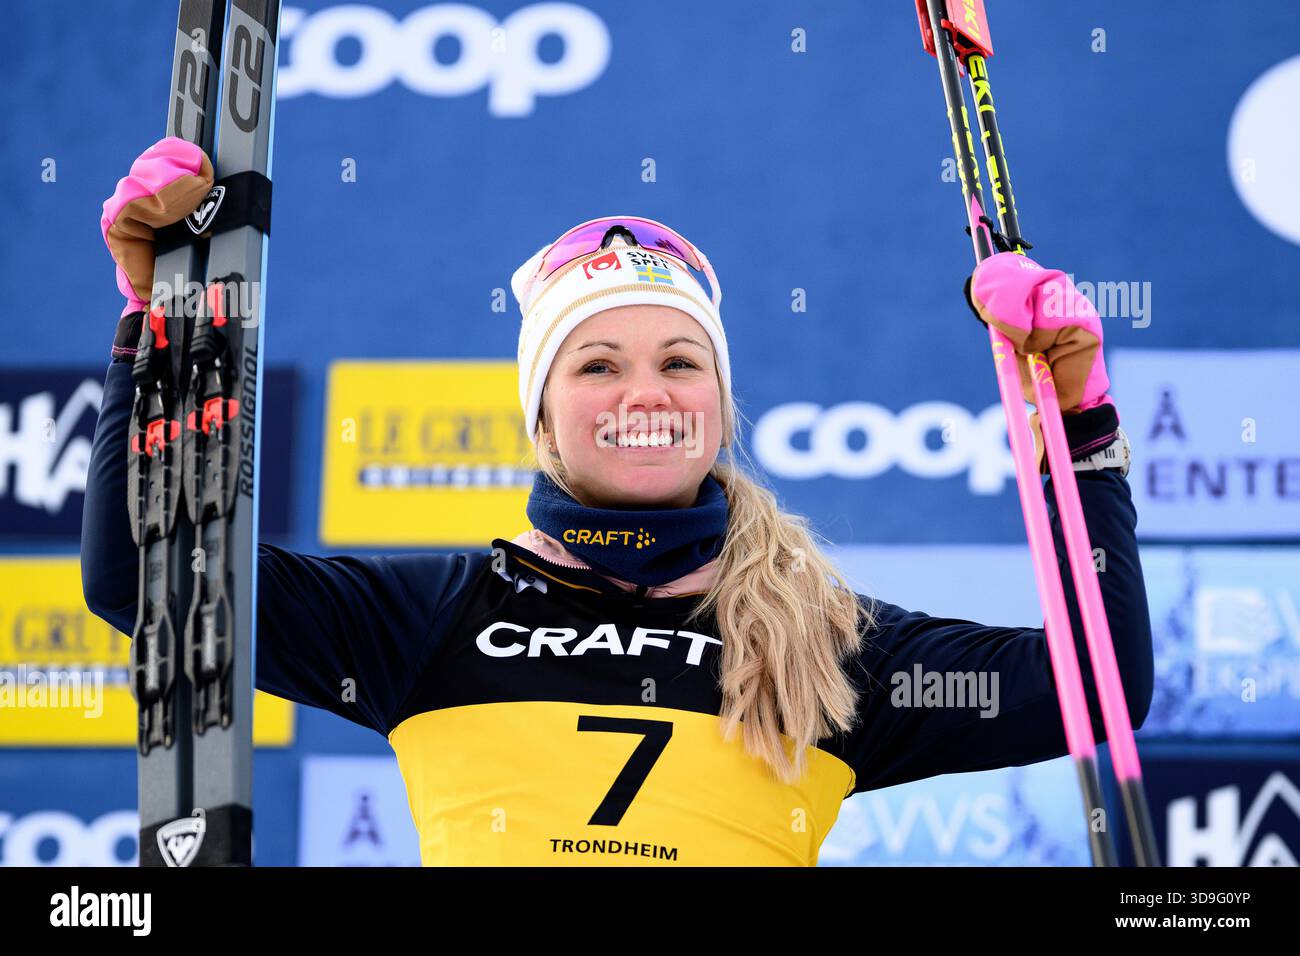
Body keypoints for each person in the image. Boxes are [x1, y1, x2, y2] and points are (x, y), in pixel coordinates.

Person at [83, 138, 1153, 867]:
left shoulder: (826, 647)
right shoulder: (427, 619)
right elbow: (146, 579)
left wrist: (1076, 430)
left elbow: (1096, 684)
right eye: (596, 365)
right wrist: (161, 331)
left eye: (681, 361)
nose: (645, 393)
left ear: (721, 402)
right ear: (540, 415)